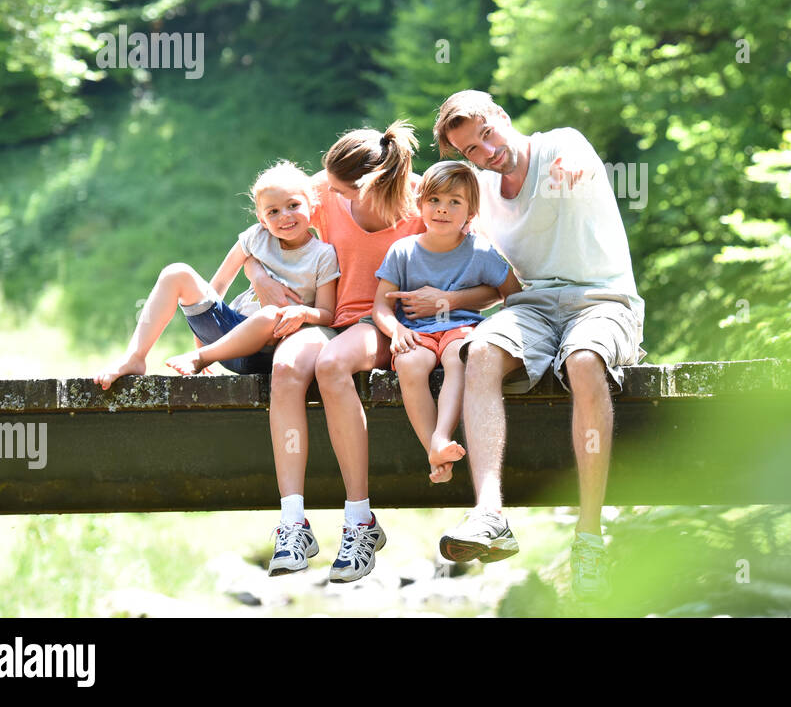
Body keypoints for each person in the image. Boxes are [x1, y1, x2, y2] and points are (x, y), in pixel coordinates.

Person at [245, 124, 503, 582]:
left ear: (368, 183)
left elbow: (484, 271)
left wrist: (443, 304)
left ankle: (359, 519)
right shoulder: (328, 187)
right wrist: (258, 276)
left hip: (392, 324)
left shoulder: (430, 200)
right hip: (328, 317)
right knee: (286, 367)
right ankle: (293, 522)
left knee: (331, 365)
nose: (333, 197)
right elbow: (257, 232)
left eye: (343, 191)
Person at [431, 90, 645, 601]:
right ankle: (489, 514)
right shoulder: (478, 189)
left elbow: (572, 154)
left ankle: (589, 536)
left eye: (488, 134)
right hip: (530, 306)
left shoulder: (561, 146)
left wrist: (573, 170)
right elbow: (422, 203)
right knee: (479, 352)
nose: (486, 152)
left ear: (503, 118)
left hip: (603, 301)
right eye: (471, 150)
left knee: (585, 359)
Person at [93, 161, 339, 390]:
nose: (284, 215)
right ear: (261, 219)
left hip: (267, 349)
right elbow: (218, 285)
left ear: (312, 206)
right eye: (272, 211)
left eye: (293, 205)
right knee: (176, 272)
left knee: (270, 315)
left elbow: (327, 314)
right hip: (227, 336)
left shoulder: (323, 255)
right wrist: (201, 338)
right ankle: (135, 357)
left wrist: (302, 312)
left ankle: (200, 358)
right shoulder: (256, 237)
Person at [373, 160, 522, 484]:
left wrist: (500, 328)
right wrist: (396, 331)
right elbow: (380, 308)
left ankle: (441, 437)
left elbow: (514, 293)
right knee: (411, 365)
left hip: (462, 329)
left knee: (458, 357)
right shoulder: (403, 251)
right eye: (435, 200)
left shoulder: (480, 251)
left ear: (470, 213)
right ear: (420, 204)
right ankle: (434, 450)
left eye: (455, 202)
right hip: (415, 332)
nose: (442, 209)